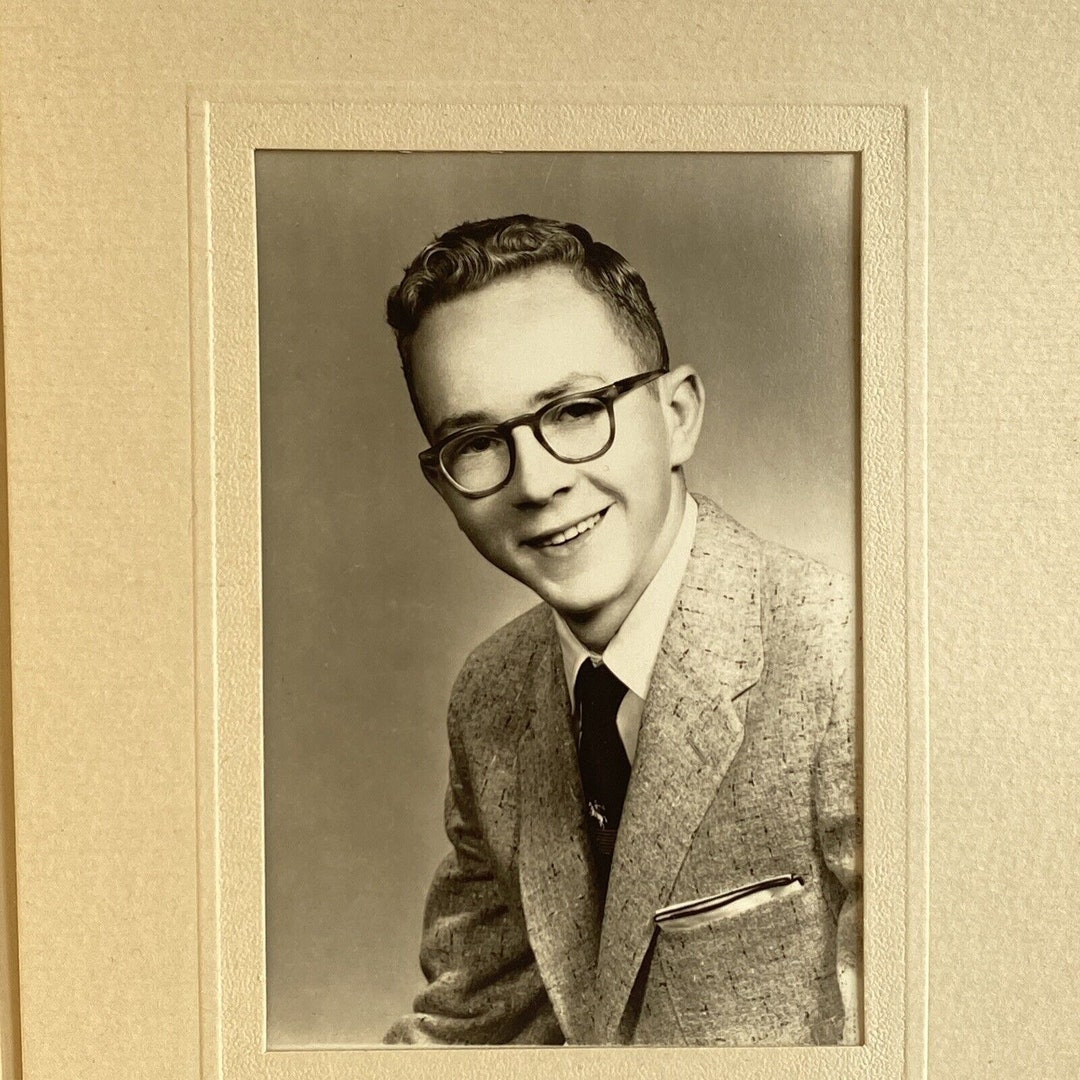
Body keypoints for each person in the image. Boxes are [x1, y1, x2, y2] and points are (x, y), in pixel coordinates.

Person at [382, 214, 860, 1046]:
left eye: (574, 410)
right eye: (476, 441)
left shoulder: (844, 655)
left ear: (677, 415)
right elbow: (471, 1026)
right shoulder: (491, 694)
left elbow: (928, 1037)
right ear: (443, 484)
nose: (536, 483)